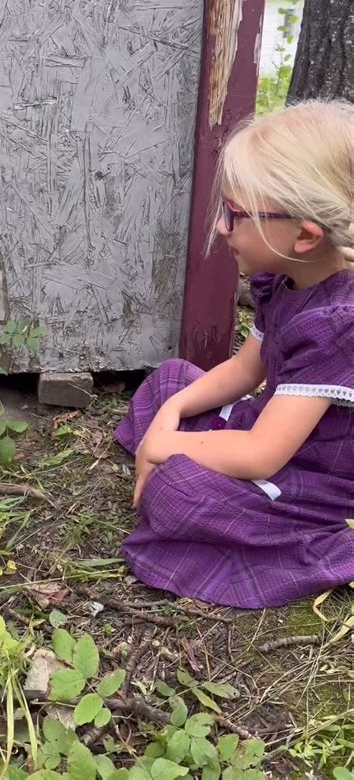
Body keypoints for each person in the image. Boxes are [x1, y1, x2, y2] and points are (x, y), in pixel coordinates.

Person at [114, 100, 354, 609]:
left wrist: (162, 448)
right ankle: (173, 457)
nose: (223, 228)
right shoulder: (286, 282)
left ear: (305, 235)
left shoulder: (337, 326)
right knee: (171, 381)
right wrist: (172, 415)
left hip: (314, 475)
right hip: (275, 426)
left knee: (177, 490)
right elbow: (247, 369)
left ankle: (326, 541)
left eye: (236, 215)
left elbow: (262, 454)